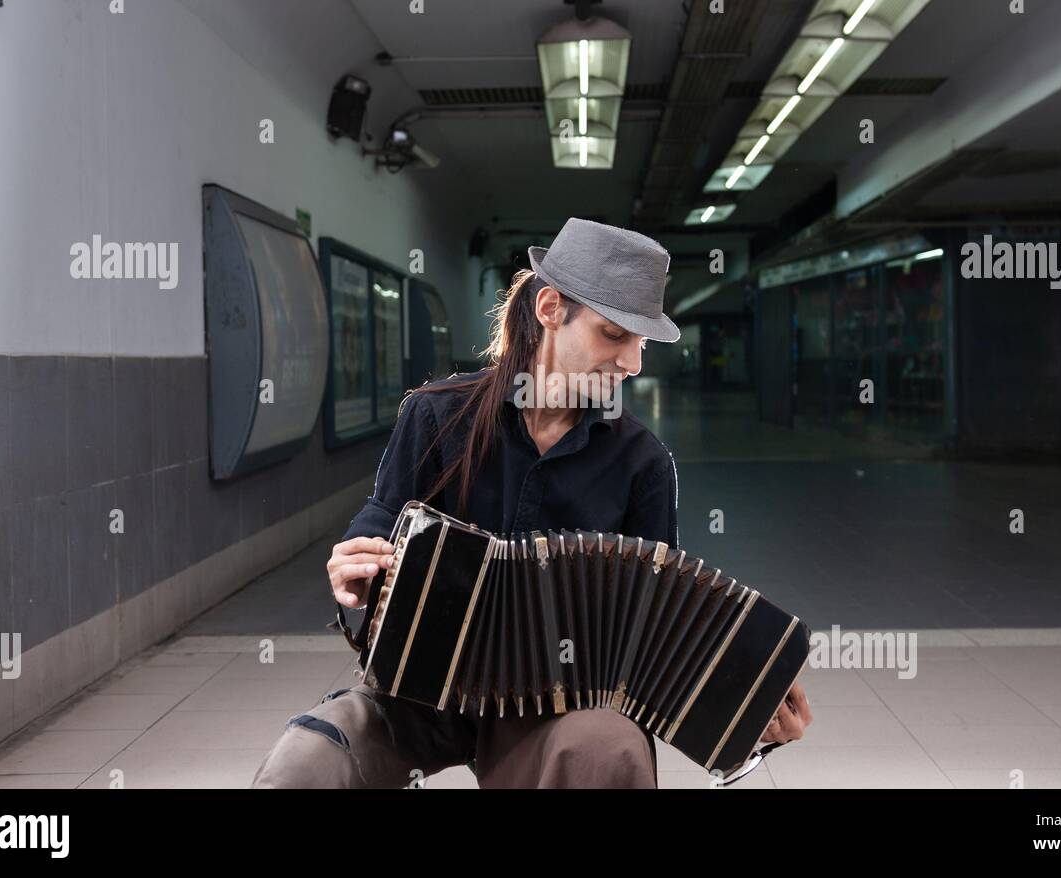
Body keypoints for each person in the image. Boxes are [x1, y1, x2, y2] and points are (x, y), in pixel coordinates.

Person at [251, 218, 811, 789]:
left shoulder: (642, 464)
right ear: (549, 308)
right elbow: (383, 517)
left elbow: (655, 633)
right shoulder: (436, 417)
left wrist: (744, 703)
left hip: (557, 708)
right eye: (614, 335)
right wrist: (356, 563)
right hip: (419, 689)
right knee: (308, 762)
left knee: (605, 751)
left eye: (641, 343)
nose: (634, 363)